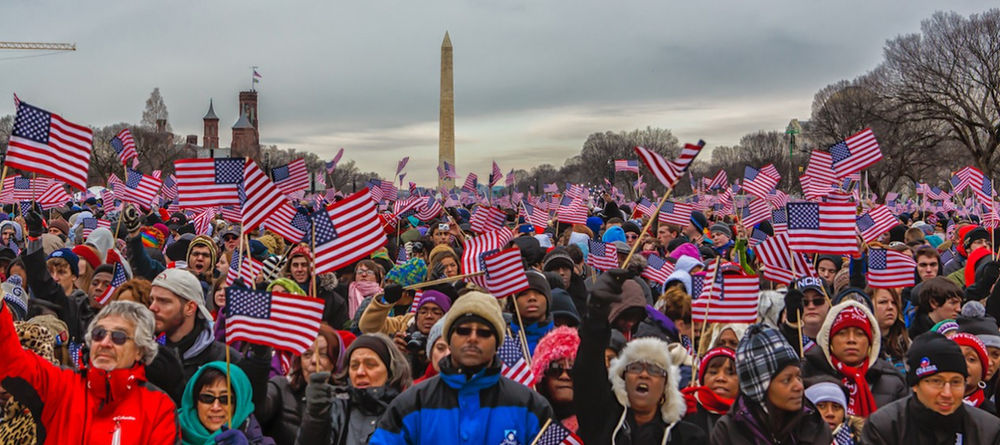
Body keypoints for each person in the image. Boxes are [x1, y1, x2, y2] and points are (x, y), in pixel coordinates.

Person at [369, 291, 553, 444]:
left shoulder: (532, 406)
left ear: (497, 343)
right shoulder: (410, 404)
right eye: (463, 330)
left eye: (484, 332)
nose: (473, 338)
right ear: (449, 338)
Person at [0, 300, 178, 444]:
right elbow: (11, 358)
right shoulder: (61, 385)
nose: (105, 342)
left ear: (140, 350)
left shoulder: (158, 407)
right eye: (99, 334)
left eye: (119, 337)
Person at [575, 270, 705, 444]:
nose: (644, 374)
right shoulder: (604, 423)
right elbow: (587, 375)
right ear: (623, 378)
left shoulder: (688, 438)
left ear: (666, 386)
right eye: (635, 367)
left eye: (654, 369)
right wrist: (596, 316)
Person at [862, 331, 1000, 443]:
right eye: (936, 381)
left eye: (956, 382)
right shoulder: (885, 426)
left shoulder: (987, 431)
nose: (947, 393)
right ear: (915, 385)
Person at [710, 323, 832, 445]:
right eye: (786, 380)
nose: (799, 386)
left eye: (798, 377)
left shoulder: (814, 426)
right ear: (759, 388)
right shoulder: (729, 431)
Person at [299, 333, 411, 444]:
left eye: (370, 364)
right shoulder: (336, 408)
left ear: (390, 371)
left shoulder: (407, 410)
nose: (360, 372)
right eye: (354, 365)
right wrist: (315, 416)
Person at [801, 301, 908, 417]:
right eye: (842, 333)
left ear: (871, 342)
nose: (851, 340)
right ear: (829, 341)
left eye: (859, 334)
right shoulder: (807, 374)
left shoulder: (893, 381)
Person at [250, 324, 344, 444]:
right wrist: (260, 360)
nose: (314, 360)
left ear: (335, 361)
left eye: (323, 354)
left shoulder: (345, 399)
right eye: (307, 354)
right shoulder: (281, 388)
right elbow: (258, 410)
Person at [148, 268, 240, 380]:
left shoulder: (225, 358)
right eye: (152, 300)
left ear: (190, 308)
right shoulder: (147, 355)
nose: (152, 307)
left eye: (163, 301)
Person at [177, 361, 274, 444]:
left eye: (225, 399)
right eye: (207, 398)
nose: (215, 407)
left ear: (239, 405)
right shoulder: (170, 430)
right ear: (195, 401)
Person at [530, 326, 580, 433]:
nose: (564, 376)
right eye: (555, 369)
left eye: (573, 370)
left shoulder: (597, 424)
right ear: (542, 376)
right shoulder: (528, 422)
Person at [681, 347, 737, 435]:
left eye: (730, 373)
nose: (721, 378)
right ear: (703, 379)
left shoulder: (750, 417)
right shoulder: (684, 411)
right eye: (713, 372)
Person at [804, 379, 864, 443]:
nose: (830, 413)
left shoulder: (861, 440)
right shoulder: (794, 439)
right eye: (821, 406)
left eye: (836, 407)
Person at [951, 332, 995, 413]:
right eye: (956, 357)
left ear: (983, 370)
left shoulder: (993, 415)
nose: (964, 364)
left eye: (971, 359)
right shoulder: (928, 406)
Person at [869, 287, 910, 373]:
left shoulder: (906, 343)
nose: (890, 307)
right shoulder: (863, 345)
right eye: (883, 302)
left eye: (894, 303)